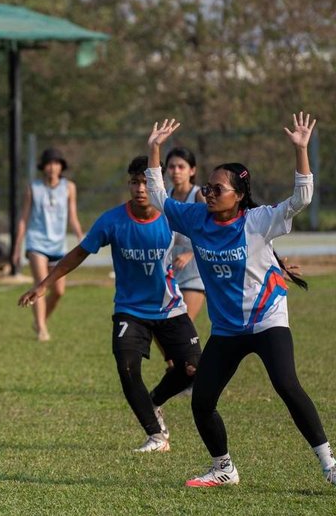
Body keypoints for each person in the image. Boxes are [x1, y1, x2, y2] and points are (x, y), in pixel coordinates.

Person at [145, 114, 335, 488]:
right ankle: (224, 468)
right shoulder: (196, 217)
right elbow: (158, 197)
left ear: (239, 195)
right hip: (228, 328)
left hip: (267, 319)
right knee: (202, 400)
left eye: (217, 189)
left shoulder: (260, 220)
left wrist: (301, 150)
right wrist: (154, 149)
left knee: (286, 384)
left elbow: (302, 198)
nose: (208, 193)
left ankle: (329, 464)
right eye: (208, 188)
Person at [19, 155, 201, 453]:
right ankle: (156, 436)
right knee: (127, 367)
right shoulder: (112, 220)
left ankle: (153, 401)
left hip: (170, 308)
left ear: (157, 185)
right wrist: (43, 285)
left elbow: (213, 237)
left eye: (145, 182)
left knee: (194, 368)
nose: (140, 188)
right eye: (134, 182)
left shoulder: (173, 218)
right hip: (130, 310)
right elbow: (79, 253)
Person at [12, 148, 84, 342]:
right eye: (49, 164)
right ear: (43, 167)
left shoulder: (69, 188)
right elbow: (23, 219)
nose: (53, 168)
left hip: (58, 245)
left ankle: (40, 320)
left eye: (56, 163)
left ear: (61, 167)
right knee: (40, 283)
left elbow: (73, 216)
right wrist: (17, 247)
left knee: (59, 290)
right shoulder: (33, 188)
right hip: (36, 243)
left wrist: (81, 238)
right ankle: (42, 329)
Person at [165, 147, 206, 321]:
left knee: (183, 326)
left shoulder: (199, 196)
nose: (176, 171)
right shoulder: (164, 197)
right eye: (172, 167)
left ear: (192, 170)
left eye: (181, 167)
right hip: (169, 274)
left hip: (194, 274)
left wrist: (191, 253)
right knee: (164, 329)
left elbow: (212, 233)